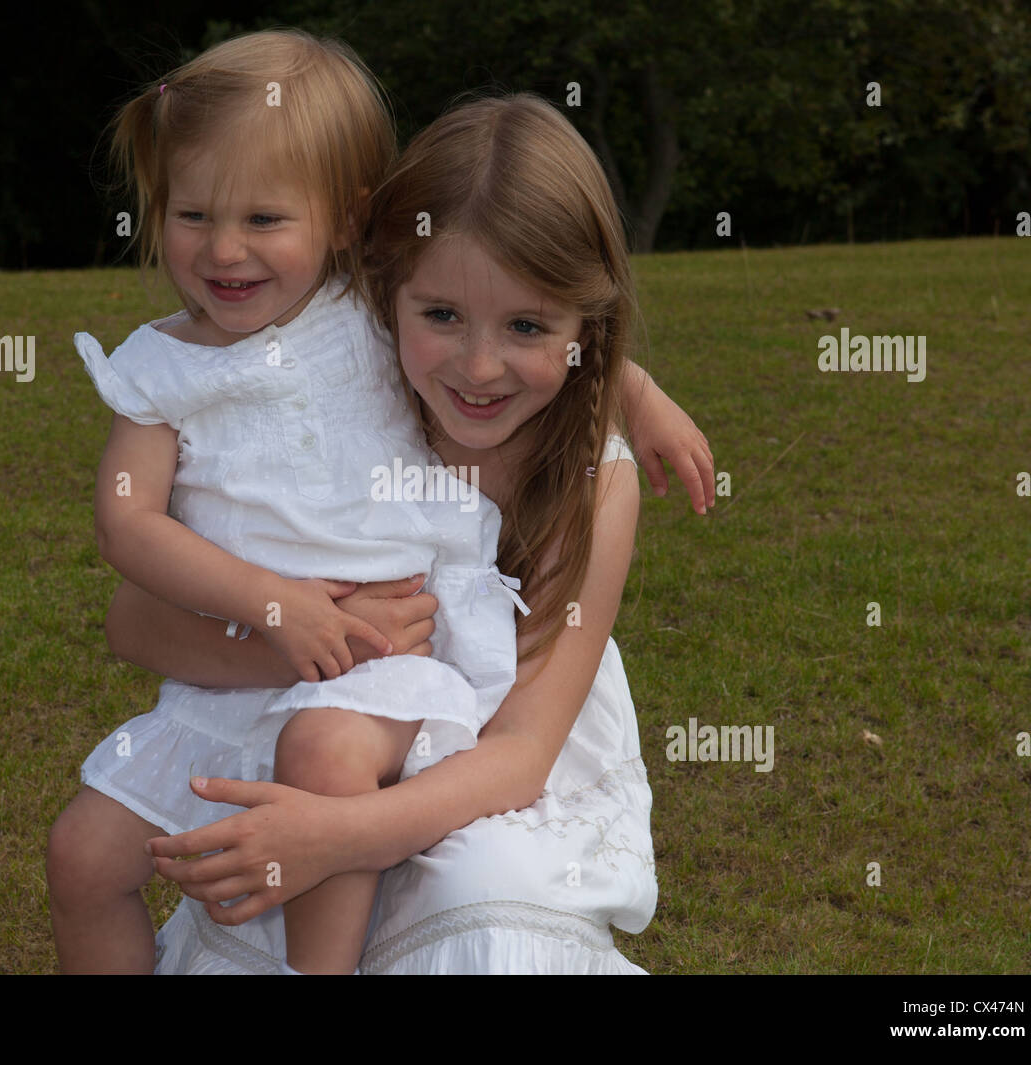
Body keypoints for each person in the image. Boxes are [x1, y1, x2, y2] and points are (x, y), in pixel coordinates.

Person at [117, 92, 716, 974]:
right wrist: (313, 643)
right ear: (380, 291)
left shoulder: (593, 478)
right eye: (439, 316)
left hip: (501, 786)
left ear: (585, 325)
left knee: (481, 898)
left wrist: (337, 834)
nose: (478, 369)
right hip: (327, 737)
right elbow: (133, 622)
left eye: (525, 327)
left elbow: (519, 752)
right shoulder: (340, 391)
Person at [48, 30, 529, 976]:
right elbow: (126, 519)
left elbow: (519, 327)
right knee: (82, 854)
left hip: (381, 667)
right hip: (227, 675)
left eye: (265, 219)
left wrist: (640, 396)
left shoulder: (368, 305)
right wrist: (271, 602)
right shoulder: (162, 367)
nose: (223, 249)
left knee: (321, 751)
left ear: (345, 221)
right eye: (192, 214)